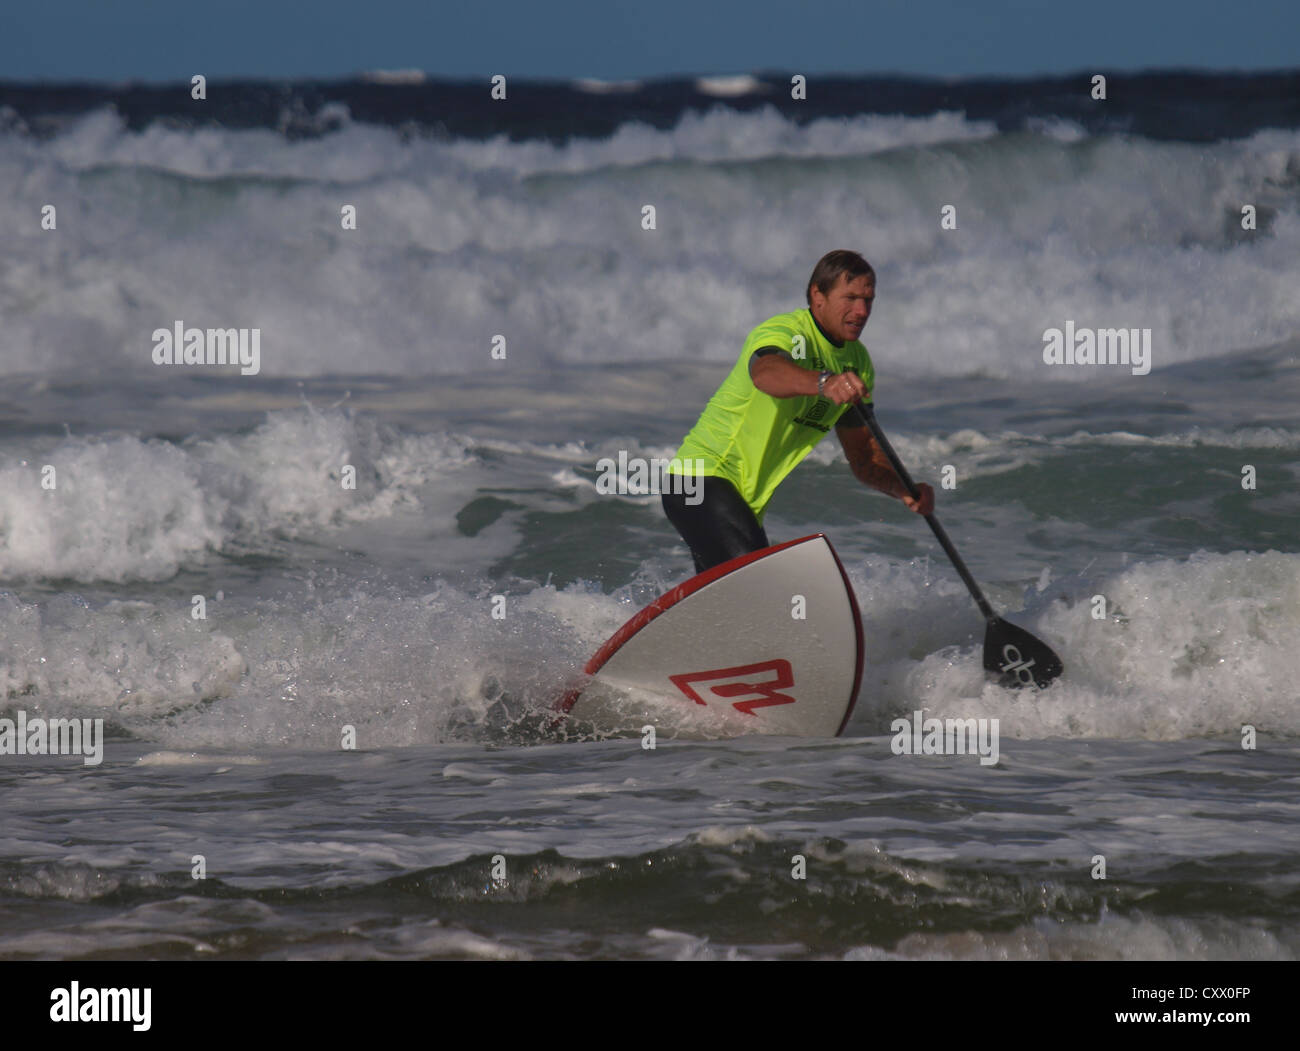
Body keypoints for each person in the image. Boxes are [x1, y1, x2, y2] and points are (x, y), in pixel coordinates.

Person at [662, 249, 935, 575]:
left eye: (868, 300)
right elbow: (766, 374)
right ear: (817, 295)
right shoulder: (787, 332)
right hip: (699, 480)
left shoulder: (857, 362)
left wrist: (903, 487)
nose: (861, 311)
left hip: (744, 500)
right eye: (849, 298)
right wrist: (824, 383)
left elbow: (863, 458)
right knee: (756, 584)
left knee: (731, 603)